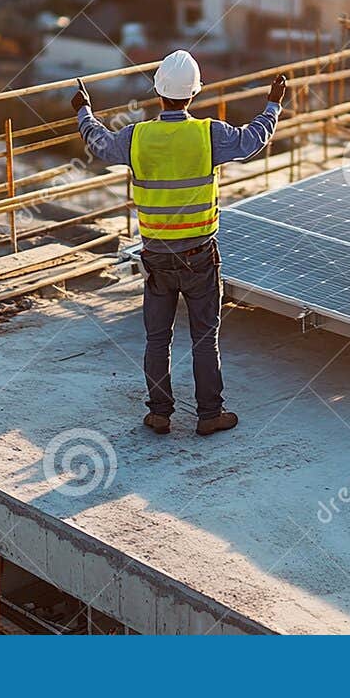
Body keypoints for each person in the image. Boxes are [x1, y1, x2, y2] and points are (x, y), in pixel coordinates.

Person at [74, 50, 286, 436]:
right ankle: (209, 415)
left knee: (158, 339)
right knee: (205, 339)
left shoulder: (137, 136)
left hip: (156, 259)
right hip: (199, 257)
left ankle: (159, 413)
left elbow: (99, 144)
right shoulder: (208, 134)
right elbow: (254, 140)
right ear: (193, 94)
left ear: (158, 92)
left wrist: (84, 111)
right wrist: (273, 104)